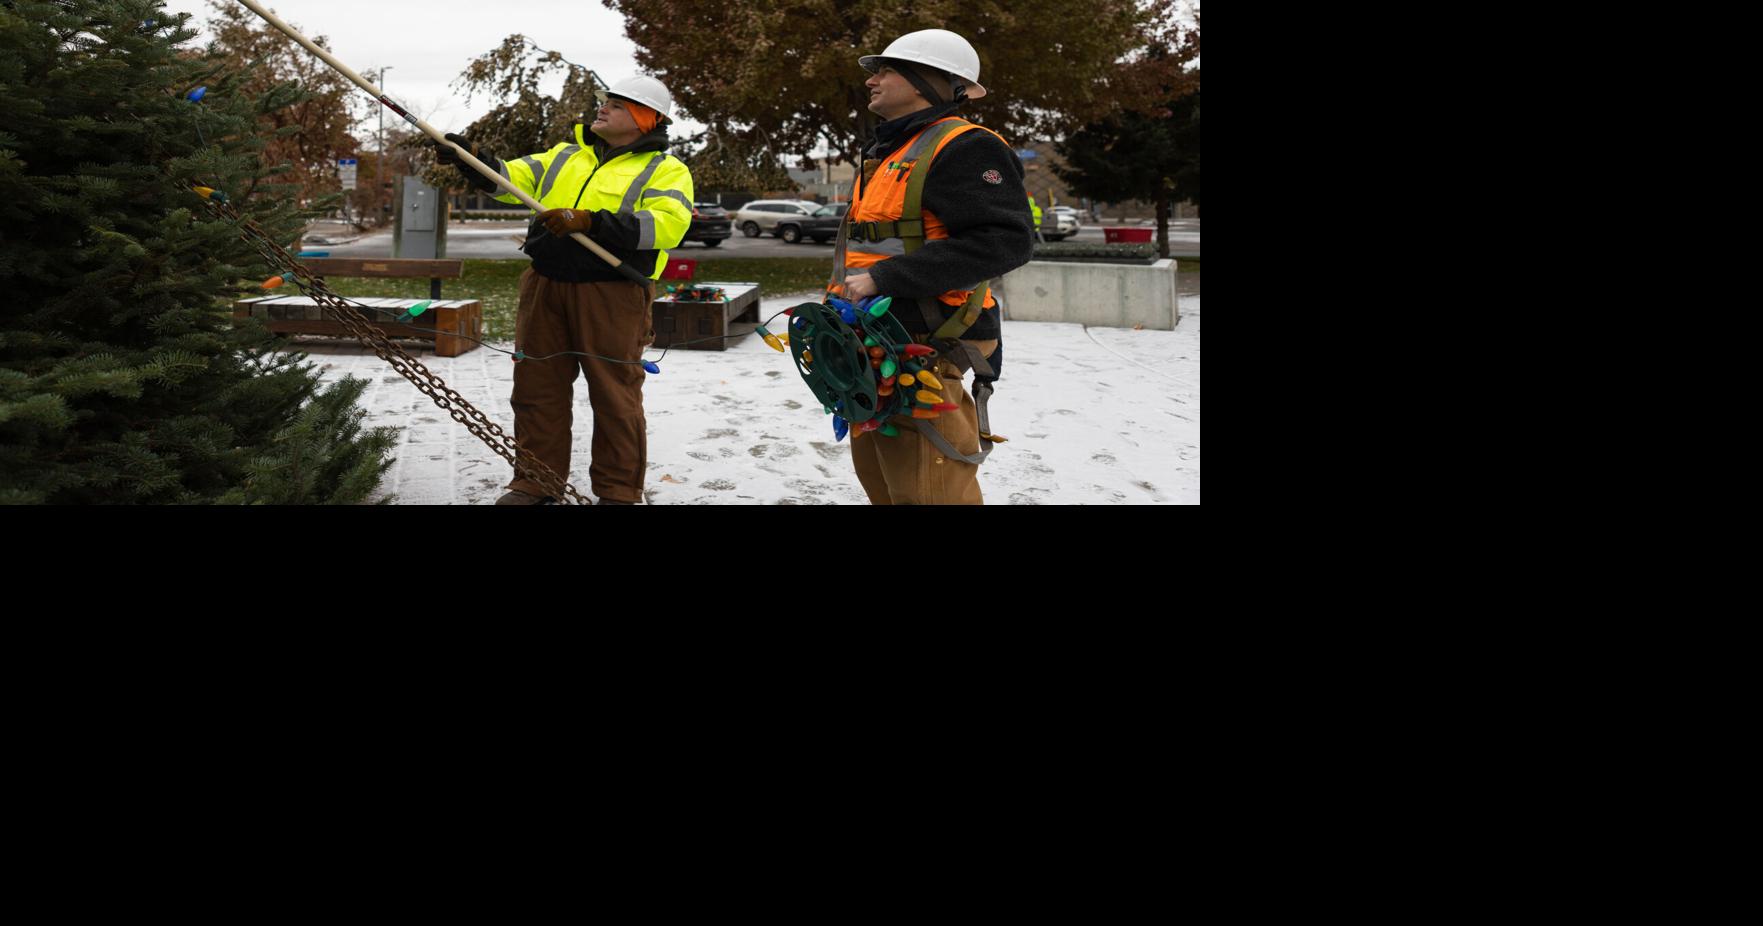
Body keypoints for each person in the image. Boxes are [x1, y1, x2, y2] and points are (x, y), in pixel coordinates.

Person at [436, 76, 693, 505]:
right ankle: (534, 482)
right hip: (545, 286)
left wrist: (591, 221)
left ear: (646, 119)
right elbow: (510, 179)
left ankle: (617, 492)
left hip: (612, 294)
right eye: (605, 100)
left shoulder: (665, 170)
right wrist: (472, 160)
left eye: (617, 104)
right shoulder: (565, 156)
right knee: (536, 389)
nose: (603, 107)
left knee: (614, 396)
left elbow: (668, 225)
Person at [831, 29, 1035, 505]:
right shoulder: (889, 151)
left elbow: (1006, 241)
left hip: (929, 342)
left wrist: (884, 279)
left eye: (885, 69)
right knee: (886, 481)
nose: (871, 80)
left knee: (928, 490)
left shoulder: (966, 147)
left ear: (926, 80)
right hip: (876, 341)